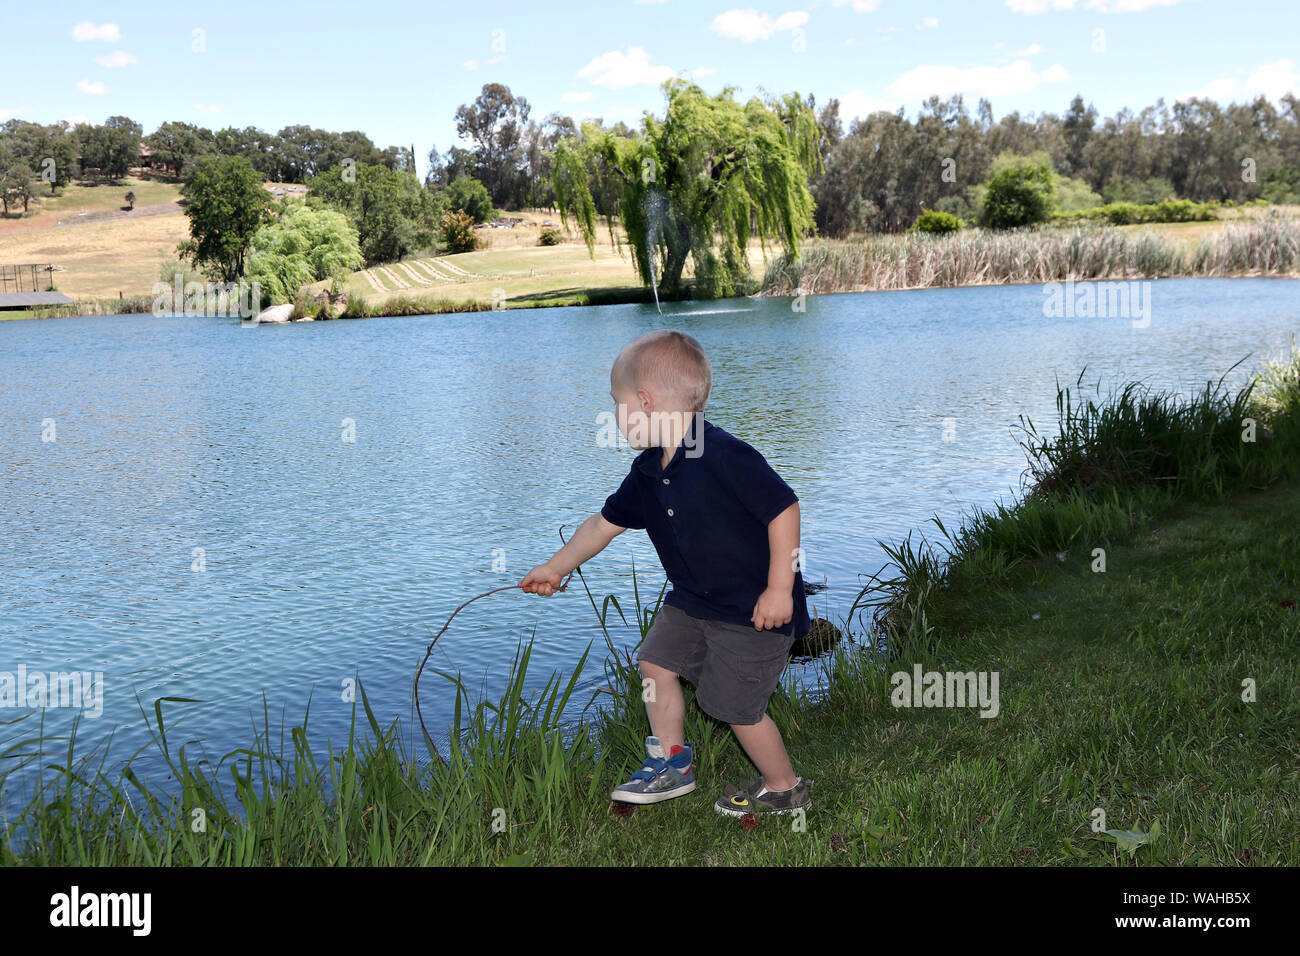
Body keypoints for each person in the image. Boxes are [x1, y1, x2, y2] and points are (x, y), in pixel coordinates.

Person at [520, 329, 812, 817]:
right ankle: (673, 764)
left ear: (646, 402)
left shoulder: (722, 455)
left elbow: (785, 509)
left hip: (752, 611)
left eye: (617, 403)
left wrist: (780, 588)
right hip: (692, 603)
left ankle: (785, 786)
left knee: (734, 709)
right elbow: (602, 525)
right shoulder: (648, 472)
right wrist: (555, 567)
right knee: (654, 663)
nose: (615, 416)